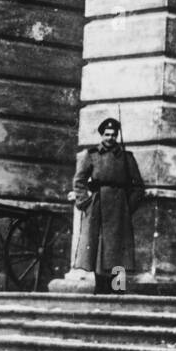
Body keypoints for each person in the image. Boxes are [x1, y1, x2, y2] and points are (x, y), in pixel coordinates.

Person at [72, 118, 145, 294]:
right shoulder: (92, 155)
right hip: (98, 206)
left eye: (113, 135)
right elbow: (79, 180)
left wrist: (128, 207)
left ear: (117, 135)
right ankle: (101, 289)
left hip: (120, 209)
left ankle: (118, 290)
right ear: (102, 135)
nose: (110, 138)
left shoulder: (127, 157)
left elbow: (138, 186)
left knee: (119, 249)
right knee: (99, 248)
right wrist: (85, 203)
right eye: (107, 134)